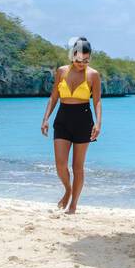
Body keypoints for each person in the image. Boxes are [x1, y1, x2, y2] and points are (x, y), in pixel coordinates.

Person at [40, 36, 102, 213]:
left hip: (83, 119)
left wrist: (98, 123)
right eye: (78, 60)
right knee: (60, 164)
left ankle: (74, 203)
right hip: (63, 118)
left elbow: (97, 101)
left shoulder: (93, 75)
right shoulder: (61, 71)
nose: (81, 63)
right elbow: (54, 97)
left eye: (85, 60)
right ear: (72, 55)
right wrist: (45, 119)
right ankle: (68, 189)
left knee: (77, 167)